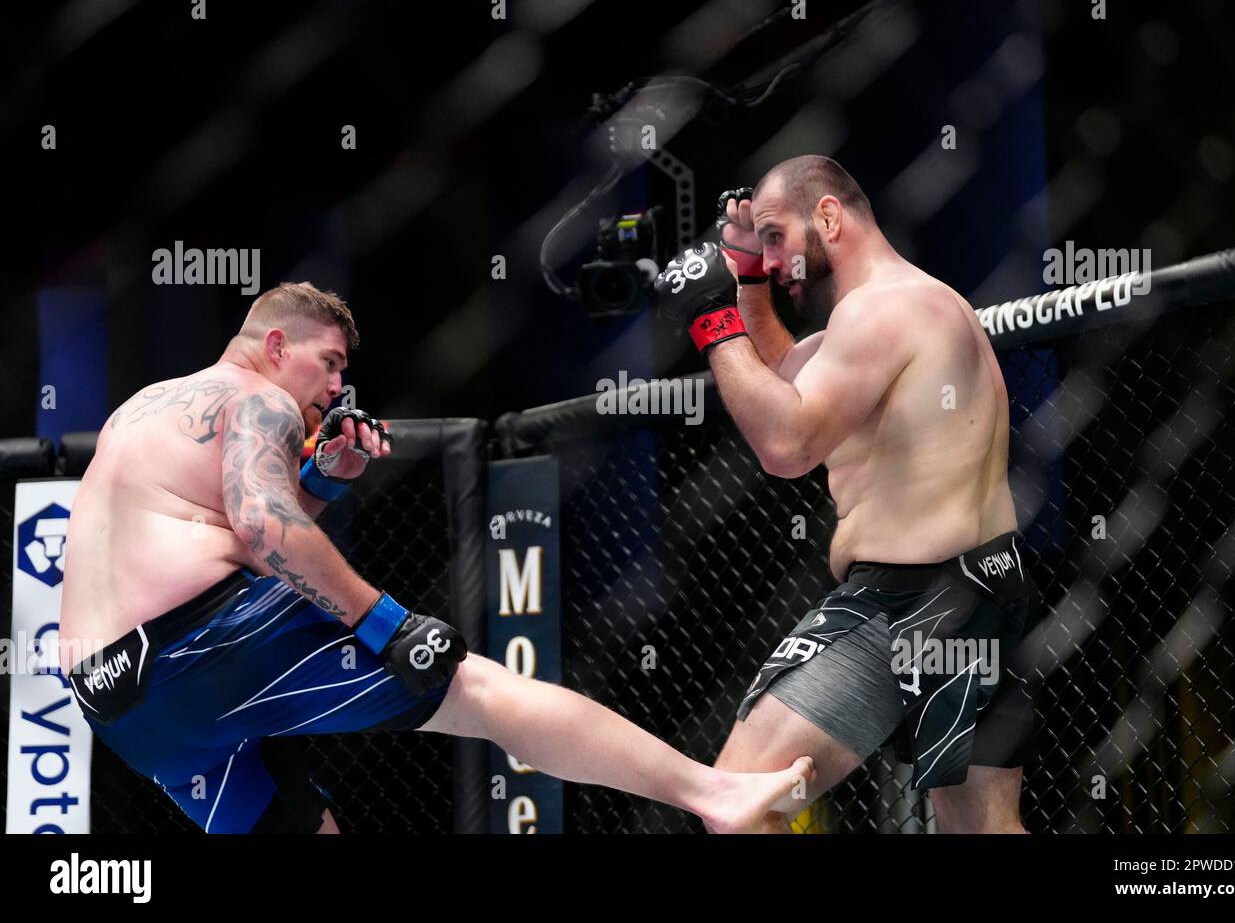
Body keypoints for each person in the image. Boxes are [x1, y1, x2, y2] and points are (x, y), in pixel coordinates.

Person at [59, 280, 811, 833]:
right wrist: (384, 623)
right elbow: (261, 527)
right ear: (276, 345)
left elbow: (216, 533)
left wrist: (319, 480)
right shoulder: (262, 401)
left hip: (117, 705)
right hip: (197, 648)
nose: (336, 385)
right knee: (477, 689)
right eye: (327, 362)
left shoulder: (147, 405)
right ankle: (712, 796)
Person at [652, 155, 1044, 833]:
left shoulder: (879, 312)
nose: (771, 259)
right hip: (983, 589)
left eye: (774, 237)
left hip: (904, 600)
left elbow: (786, 447)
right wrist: (744, 281)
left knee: (739, 804)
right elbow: (780, 380)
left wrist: (712, 319)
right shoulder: (913, 304)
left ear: (828, 216)